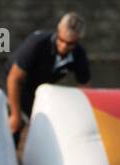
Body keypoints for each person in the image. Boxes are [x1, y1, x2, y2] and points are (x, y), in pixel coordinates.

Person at [6, 12, 91, 148]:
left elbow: (85, 89)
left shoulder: (79, 55)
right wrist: (15, 115)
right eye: (61, 40)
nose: (63, 46)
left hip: (41, 88)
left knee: (47, 124)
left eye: (70, 44)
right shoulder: (37, 44)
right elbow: (14, 78)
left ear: (78, 40)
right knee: (16, 122)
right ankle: (9, 155)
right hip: (18, 82)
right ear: (58, 31)